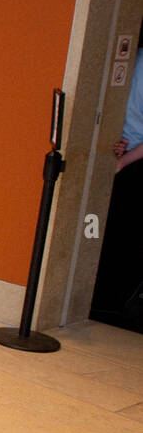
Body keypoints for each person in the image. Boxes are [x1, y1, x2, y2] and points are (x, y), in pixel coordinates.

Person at [91, 48, 143, 331]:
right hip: (121, 153)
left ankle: (105, 301)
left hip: (122, 154)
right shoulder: (134, 59)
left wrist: (123, 158)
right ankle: (106, 302)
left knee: (107, 231)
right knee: (110, 232)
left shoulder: (133, 58)